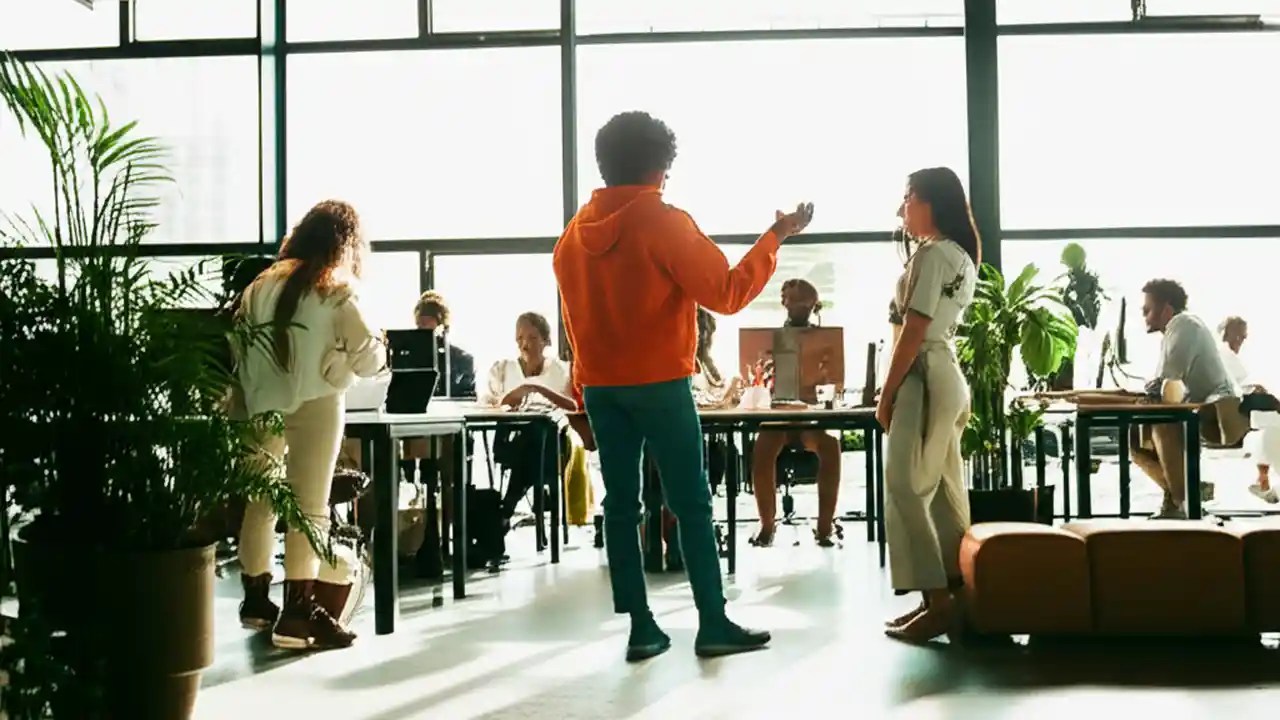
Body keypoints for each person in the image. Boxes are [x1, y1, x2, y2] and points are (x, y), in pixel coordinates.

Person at [554, 110, 814, 661]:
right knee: (692, 503)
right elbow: (725, 292)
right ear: (659, 168)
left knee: (621, 505)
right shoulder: (662, 220)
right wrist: (778, 234)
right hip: (660, 383)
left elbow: (575, 328)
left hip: (601, 387)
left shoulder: (570, 240)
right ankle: (712, 622)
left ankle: (641, 628)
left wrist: (583, 395)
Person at [235, 199, 386, 650]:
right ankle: (298, 614)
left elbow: (238, 344)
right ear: (347, 242)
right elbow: (368, 355)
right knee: (310, 506)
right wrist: (368, 354)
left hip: (260, 404)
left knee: (260, 498)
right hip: (316, 403)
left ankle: (257, 602)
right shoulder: (336, 285)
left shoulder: (261, 283)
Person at [877, 167, 979, 643]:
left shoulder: (934, 254)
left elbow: (914, 330)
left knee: (904, 482)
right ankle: (954, 598)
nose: (902, 209)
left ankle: (938, 602)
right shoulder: (956, 254)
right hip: (944, 372)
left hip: (924, 373)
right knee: (940, 490)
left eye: (908, 198)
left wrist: (886, 393)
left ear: (929, 200)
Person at [1124, 279, 1248, 518]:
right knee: (1136, 440)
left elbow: (1167, 379)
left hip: (1220, 411)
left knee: (1162, 425)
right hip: (1197, 408)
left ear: (1167, 310)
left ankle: (1185, 503)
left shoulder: (1183, 324)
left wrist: (1152, 390)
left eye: (1148, 309)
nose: (1144, 315)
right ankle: (1184, 495)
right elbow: (1163, 384)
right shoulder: (1174, 330)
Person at [749, 278, 844, 547]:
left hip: (811, 416)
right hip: (778, 415)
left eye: (793, 299)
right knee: (762, 449)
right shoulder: (772, 339)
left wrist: (825, 382)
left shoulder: (824, 340)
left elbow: (836, 380)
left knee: (830, 446)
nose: (788, 304)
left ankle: (824, 526)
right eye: (786, 299)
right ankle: (767, 524)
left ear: (810, 304)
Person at [479, 311, 576, 521]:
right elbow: (490, 403)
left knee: (538, 432)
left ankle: (506, 509)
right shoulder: (503, 369)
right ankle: (512, 506)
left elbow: (573, 406)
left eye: (532, 338)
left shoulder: (560, 371)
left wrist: (535, 388)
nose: (525, 345)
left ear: (545, 340)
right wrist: (509, 400)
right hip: (511, 441)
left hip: (551, 445)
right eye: (520, 338)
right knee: (530, 443)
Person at [1219, 316, 1280, 504]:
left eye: (1243, 337)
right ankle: (1262, 480)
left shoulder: (1227, 355)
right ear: (1226, 333)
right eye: (1238, 336)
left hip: (1236, 401)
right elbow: (1231, 385)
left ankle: (1262, 480)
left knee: (1271, 425)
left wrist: (1253, 387)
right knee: (1273, 417)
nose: (1240, 341)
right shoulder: (1222, 354)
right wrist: (1252, 388)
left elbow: (1236, 383)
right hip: (1230, 405)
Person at [413, 291, 477, 398]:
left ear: (442, 327)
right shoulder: (411, 359)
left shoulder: (463, 360)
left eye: (427, 329)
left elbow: (465, 396)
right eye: (419, 327)